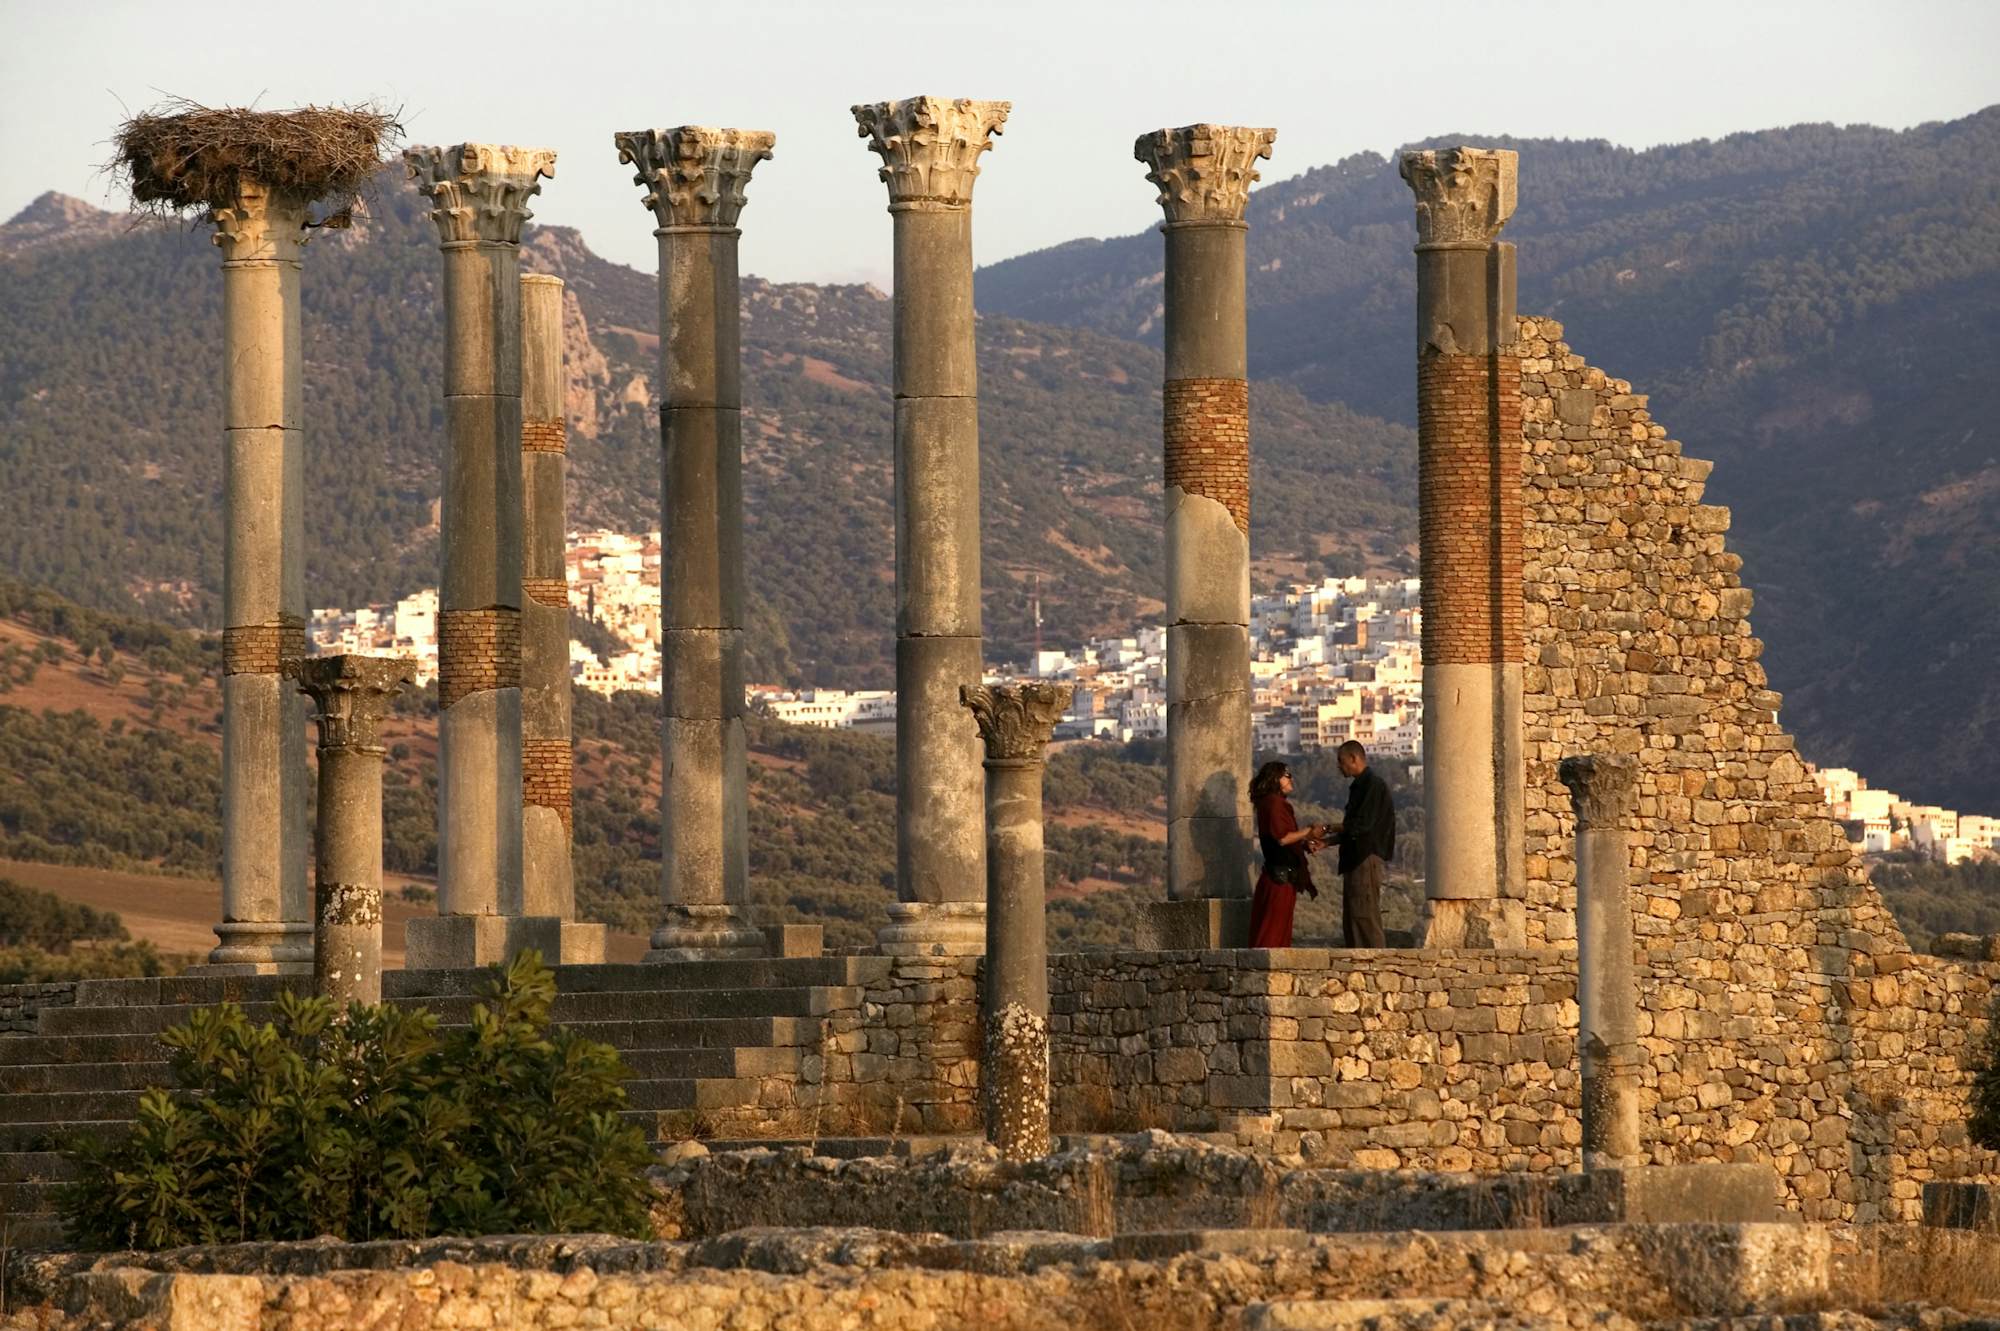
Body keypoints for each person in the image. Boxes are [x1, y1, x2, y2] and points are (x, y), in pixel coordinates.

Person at [1248, 760, 1333, 948]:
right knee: (1272, 936)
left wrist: (1304, 844)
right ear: (1275, 779)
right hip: (1279, 879)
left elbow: (1282, 839)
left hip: (1281, 877)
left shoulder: (1271, 803)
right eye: (1287, 776)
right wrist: (1309, 831)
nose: (1291, 779)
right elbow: (1282, 838)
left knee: (1276, 934)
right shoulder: (1274, 803)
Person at [1327, 740, 1394, 947]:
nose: (1339, 766)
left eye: (1341, 761)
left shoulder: (1372, 786)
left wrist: (1329, 828)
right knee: (1353, 917)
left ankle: (1375, 961)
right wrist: (1327, 842)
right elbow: (1353, 828)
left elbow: (1362, 825)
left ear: (1353, 758)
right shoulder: (1360, 787)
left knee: (1365, 915)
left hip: (1365, 857)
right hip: (1355, 858)